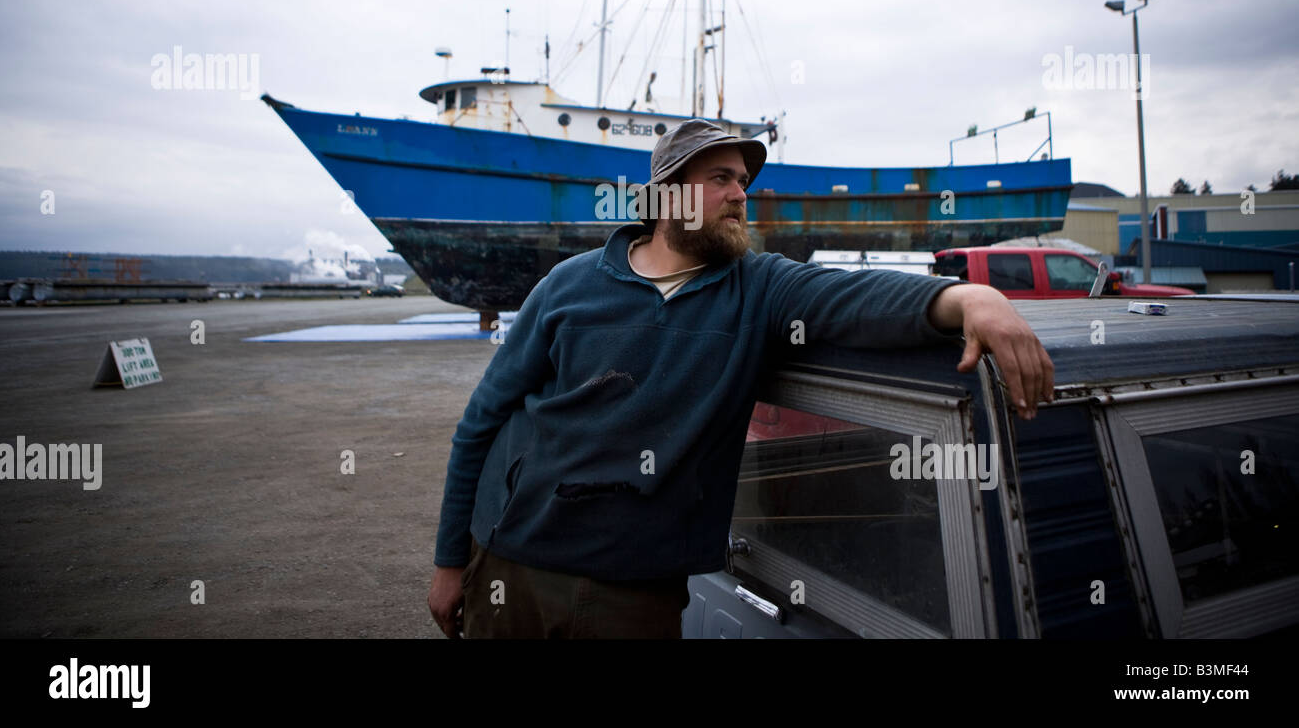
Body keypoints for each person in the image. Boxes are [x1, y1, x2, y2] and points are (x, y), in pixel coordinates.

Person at [428, 119, 1054, 638]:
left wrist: (972, 299)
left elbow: (857, 297)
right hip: (506, 567)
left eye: (744, 181)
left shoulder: (758, 289)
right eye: (721, 178)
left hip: (629, 594)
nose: (740, 194)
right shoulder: (569, 285)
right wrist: (450, 563)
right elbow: (481, 423)